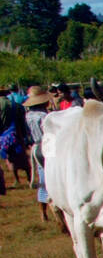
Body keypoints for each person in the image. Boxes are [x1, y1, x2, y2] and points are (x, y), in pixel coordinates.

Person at [23, 85, 52, 219]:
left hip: (35, 146)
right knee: (52, 177)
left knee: (42, 179)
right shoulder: (45, 116)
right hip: (48, 145)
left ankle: (43, 213)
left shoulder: (28, 115)